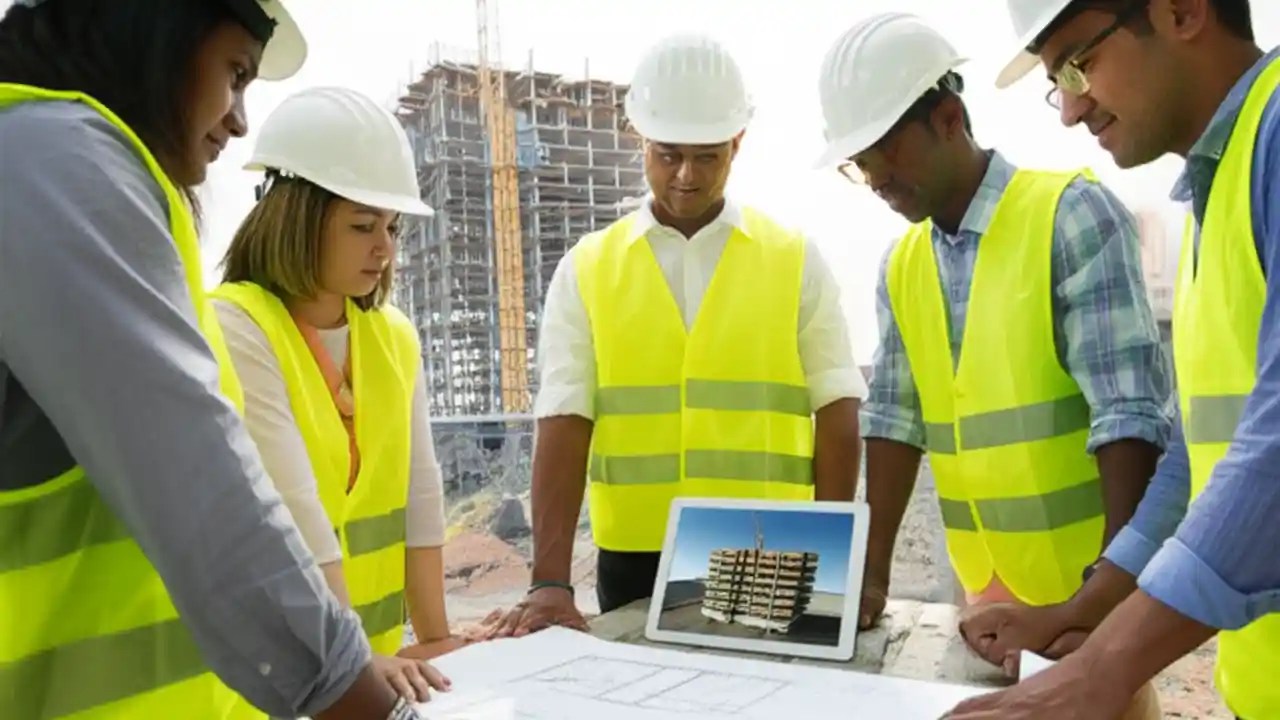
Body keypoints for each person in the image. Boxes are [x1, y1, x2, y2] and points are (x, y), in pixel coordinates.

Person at [0, 1, 437, 718]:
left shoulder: (64, 164)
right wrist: (362, 700)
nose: (238, 119)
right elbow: (208, 492)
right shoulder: (53, 160)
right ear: (155, 29)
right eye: (235, 74)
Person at [814, 11, 1171, 718]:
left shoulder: (1068, 215)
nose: (877, 177)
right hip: (983, 600)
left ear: (949, 118)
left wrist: (1104, 602)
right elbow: (893, 417)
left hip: (1083, 597)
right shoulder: (904, 265)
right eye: (861, 163)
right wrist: (873, 574)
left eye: (885, 149)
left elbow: (1129, 412)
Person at [947, 0, 1280, 718]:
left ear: (1184, 11)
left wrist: (1102, 668)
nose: (1069, 108)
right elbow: (1202, 453)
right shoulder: (1218, 189)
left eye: (1078, 62)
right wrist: (1084, 609)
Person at [485, 32, 867, 636]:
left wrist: (836, 569)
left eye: (708, 155)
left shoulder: (795, 259)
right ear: (640, 140)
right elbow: (563, 420)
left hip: (772, 549)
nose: (687, 175)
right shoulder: (588, 268)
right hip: (636, 557)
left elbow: (839, 412)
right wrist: (550, 581)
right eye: (668, 154)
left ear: (738, 143)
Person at [211, 85, 457, 709]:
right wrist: (351, 663)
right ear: (295, 214)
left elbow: (419, 499)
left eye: (393, 227)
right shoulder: (238, 325)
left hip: (371, 672)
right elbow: (293, 510)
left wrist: (440, 642)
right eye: (361, 225)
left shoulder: (394, 337)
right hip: (280, 677)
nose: (385, 247)